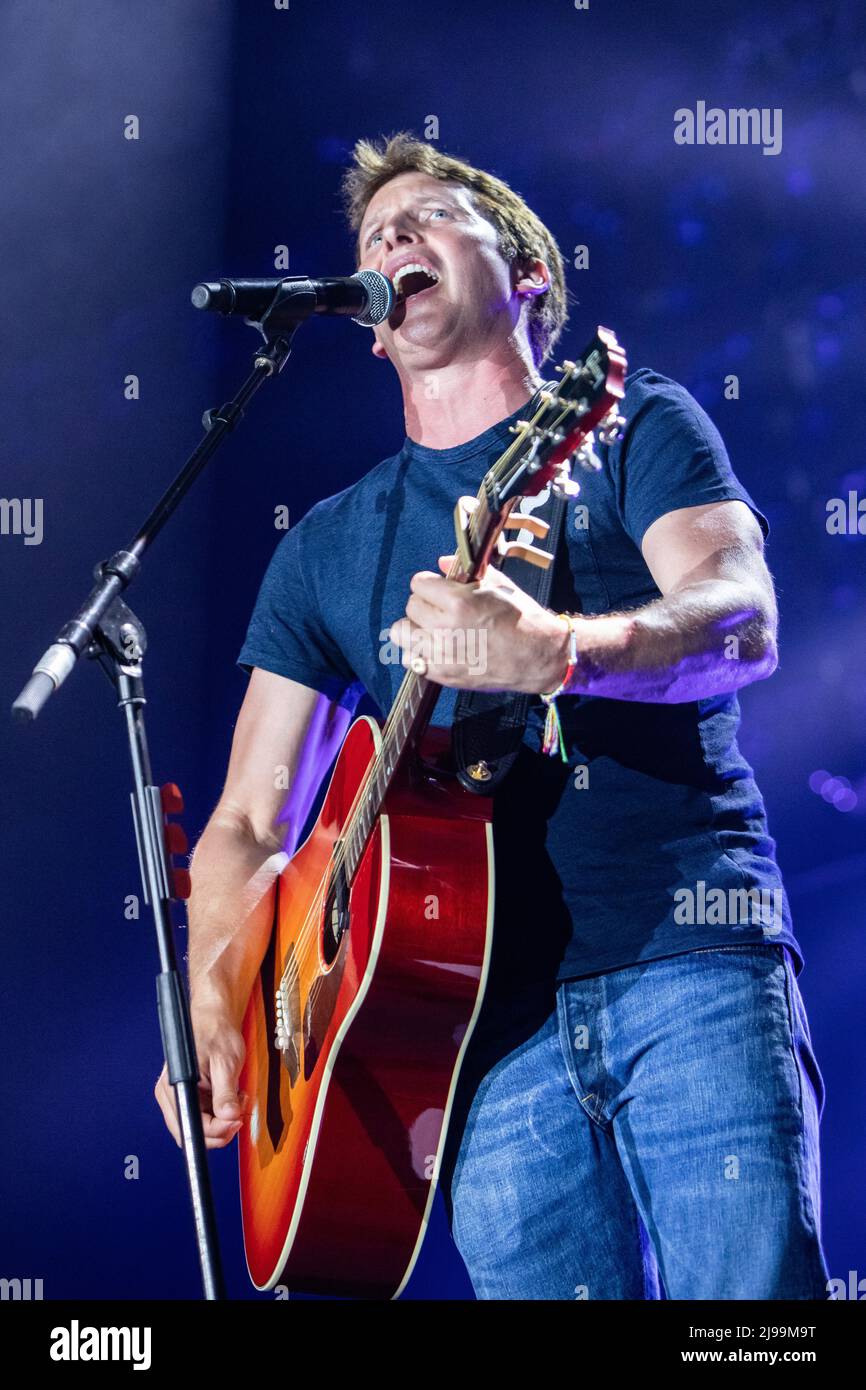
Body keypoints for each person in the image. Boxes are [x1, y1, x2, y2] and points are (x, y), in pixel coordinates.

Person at [155, 133, 829, 1300]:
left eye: (426, 219)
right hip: (465, 1036)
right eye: (374, 237)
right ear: (368, 323)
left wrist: (556, 651)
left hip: (685, 958)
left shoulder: (629, 424)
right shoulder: (325, 545)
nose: (391, 240)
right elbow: (247, 827)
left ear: (524, 272)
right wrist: (215, 998)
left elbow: (739, 619)